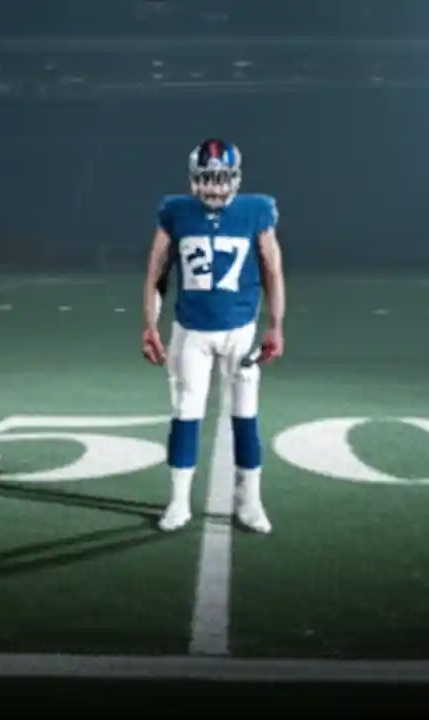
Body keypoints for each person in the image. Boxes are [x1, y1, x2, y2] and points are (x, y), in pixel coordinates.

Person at [141, 138, 285, 534]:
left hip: (240, 331)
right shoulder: (175, 211)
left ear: (235, 178)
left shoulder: (256, 211)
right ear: (193, 179)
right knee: (186, 415)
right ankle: (178, 501)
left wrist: (275, 324)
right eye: (206, 178)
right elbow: (156, 274)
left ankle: (250, 501)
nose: (214, 188)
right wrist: (150, 325)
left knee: (245, 417)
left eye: (221, 179)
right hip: (191, 333)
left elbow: (273, 269)